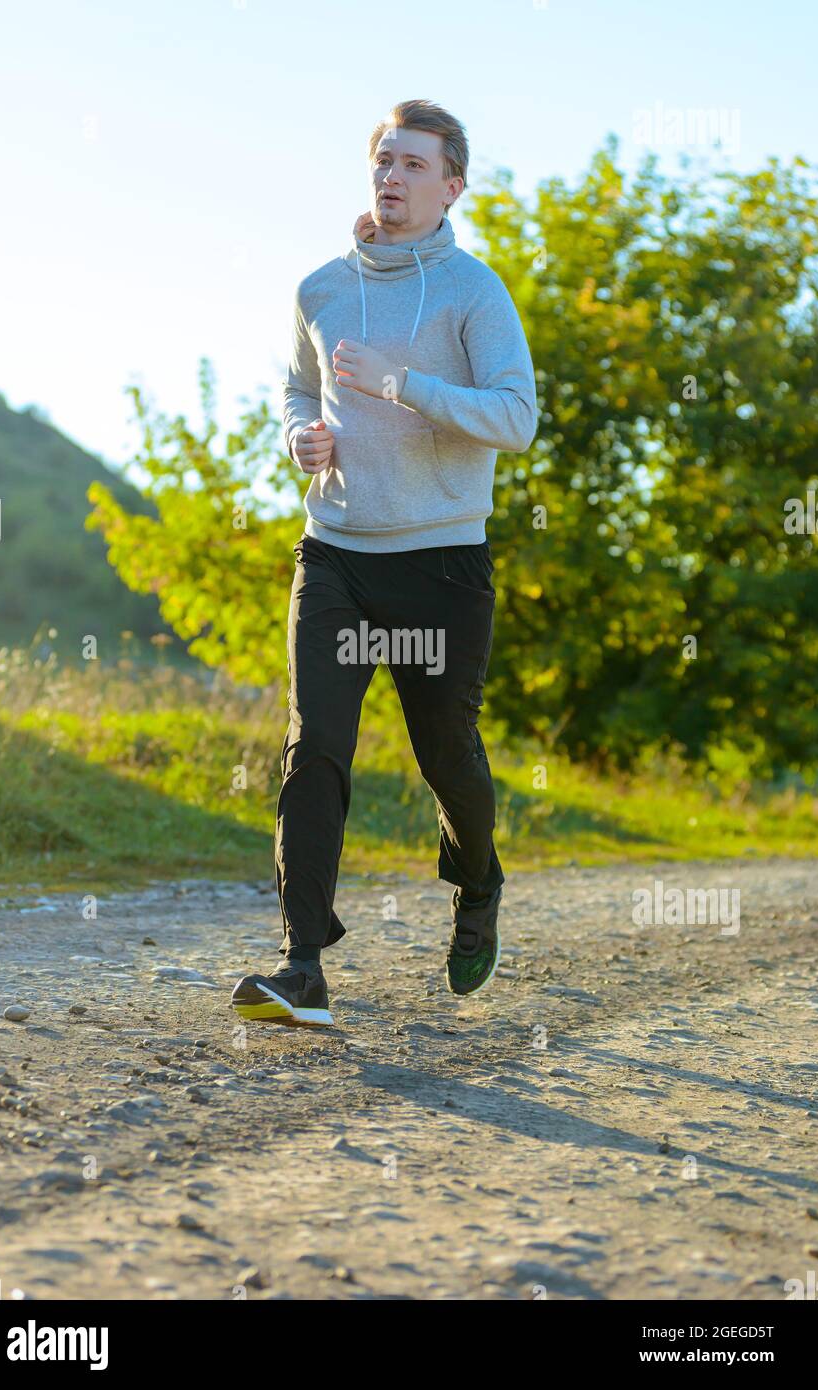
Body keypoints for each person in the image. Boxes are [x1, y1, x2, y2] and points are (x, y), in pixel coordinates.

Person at [232, 99, 538, 1027]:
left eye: (412, 164)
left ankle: (476, 880)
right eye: (381, 163)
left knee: (445, 752)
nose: (391, 178)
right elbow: (296, 383)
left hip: (439, 565)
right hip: (334, 555)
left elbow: (514, 419)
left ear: (452, 185)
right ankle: (302, 966)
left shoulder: (473, 293)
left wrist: (401, 386)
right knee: (313, 743)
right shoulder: (321, 286)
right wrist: (302, 436)